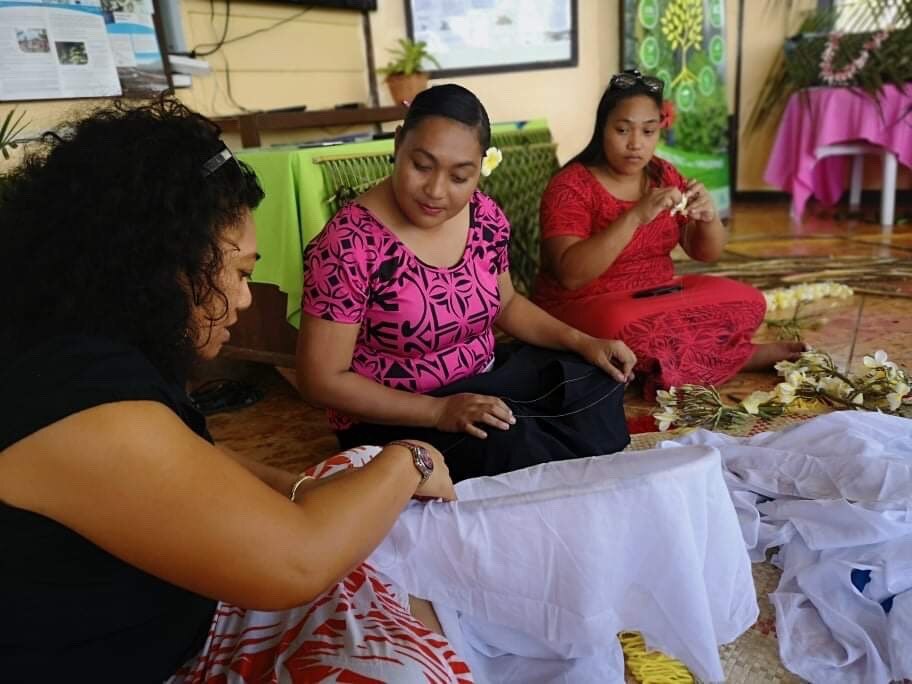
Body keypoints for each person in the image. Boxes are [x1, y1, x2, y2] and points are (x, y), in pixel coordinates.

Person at [0, 98, 468, 683]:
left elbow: (180, 461)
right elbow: (297, 563)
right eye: (241, 272)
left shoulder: (81, 349)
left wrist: (296, 487)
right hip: (157, 659)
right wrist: (412, 456)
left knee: (360, 488)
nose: (245, 301)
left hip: (174, 622)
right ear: (162, 261)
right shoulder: (75, 400)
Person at [297, 84, 637, 482]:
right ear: (398, 145)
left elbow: (506, 304)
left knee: (593, 382)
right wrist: (438, 412)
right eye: (421, 166)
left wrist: (584, 342)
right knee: (512, 443)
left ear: (480, 167)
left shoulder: (484, 215)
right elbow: (320, 379)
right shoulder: (349, 244)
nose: (437, 191)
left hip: (484, 380)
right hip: (397, 414)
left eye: (460, 176)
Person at [532, 70, 804, 399]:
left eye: (648, 131)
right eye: (622, 130)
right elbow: (570, 275)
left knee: (748, 302)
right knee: (622, 326)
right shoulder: (571, 185)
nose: (636, 144)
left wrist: (707, 217)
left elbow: (705, 253)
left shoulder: (663, 174)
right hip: (587, 305)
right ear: (602, 127)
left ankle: (666, 364)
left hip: (656, 296)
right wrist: (634, 216)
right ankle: (738, 356)